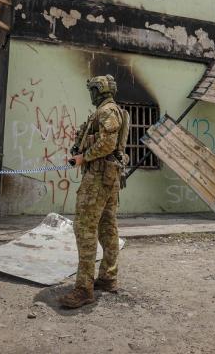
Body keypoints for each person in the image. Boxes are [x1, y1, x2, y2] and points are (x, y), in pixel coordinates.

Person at [59, 75, 127, 309]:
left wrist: (82, 158)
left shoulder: (107, 111)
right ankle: (108, 278)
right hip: (108, 176)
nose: (90, 93)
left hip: (98, 176)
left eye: (92, 89)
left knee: (85, 227)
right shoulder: (107, 110)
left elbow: (108, 144)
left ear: (99, 90)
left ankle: (84, 288)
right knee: (107, 227)